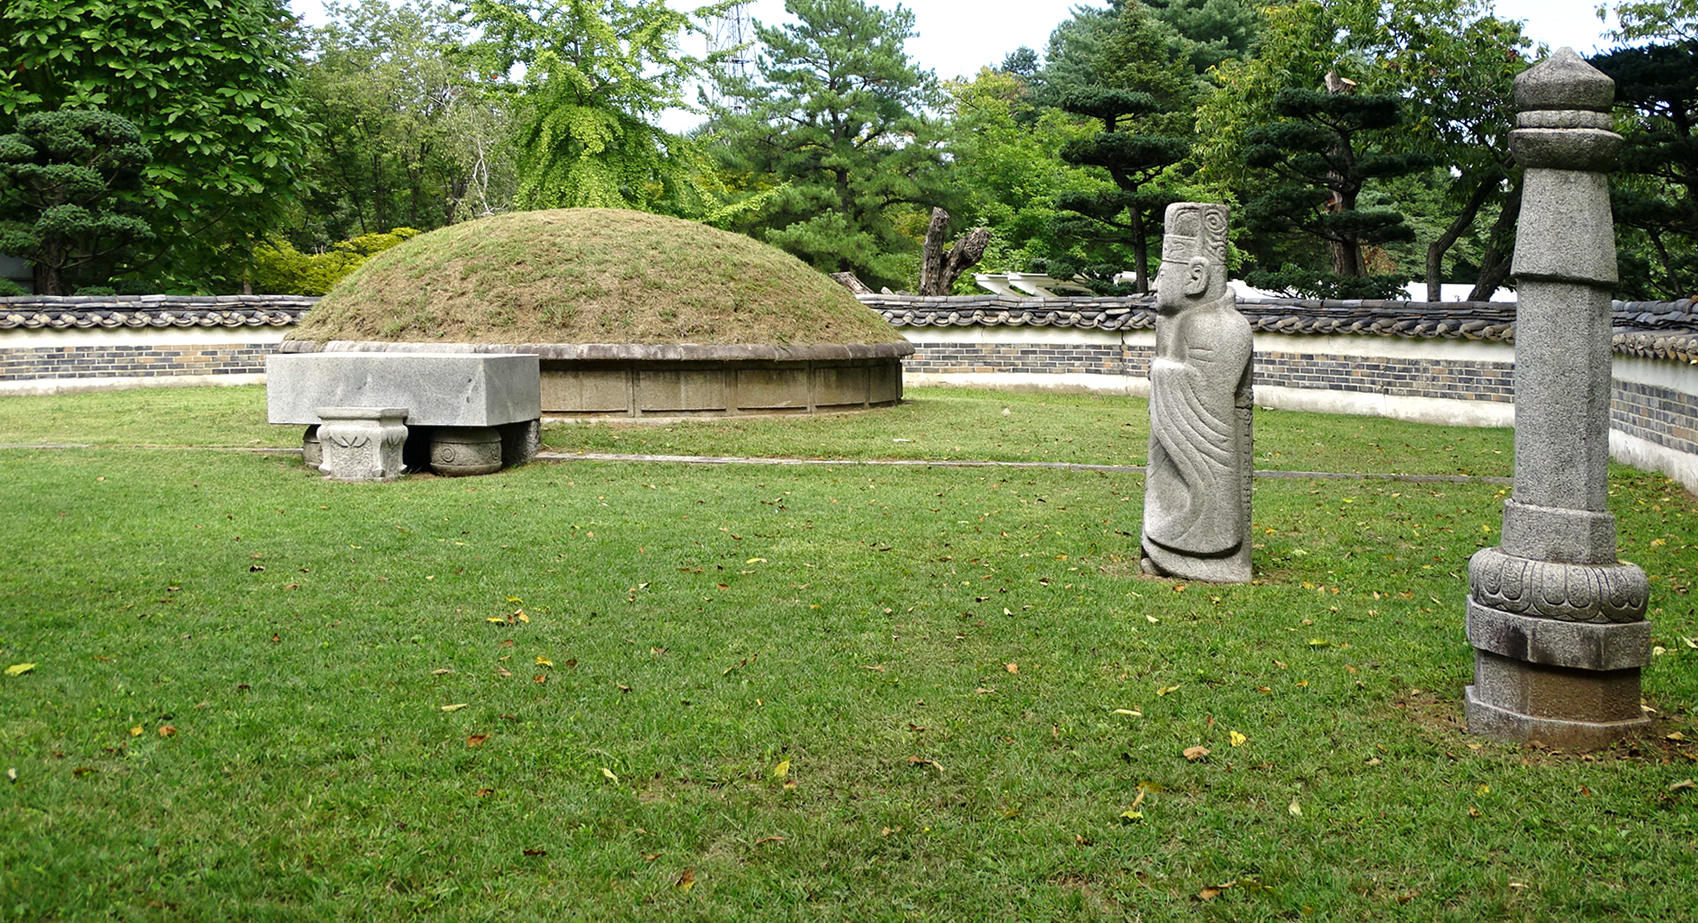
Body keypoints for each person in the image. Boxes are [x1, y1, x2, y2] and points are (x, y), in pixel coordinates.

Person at [1141, 202, 1253, 583]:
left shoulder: (1220, 326)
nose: (1155, 284)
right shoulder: (1183, 322)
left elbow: (1208, 393)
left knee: (1207, 508)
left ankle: (1210, 544)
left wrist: (1160, 371)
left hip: (1211, 463)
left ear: (1195, 276)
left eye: (1161, 273)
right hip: (1190, 453)